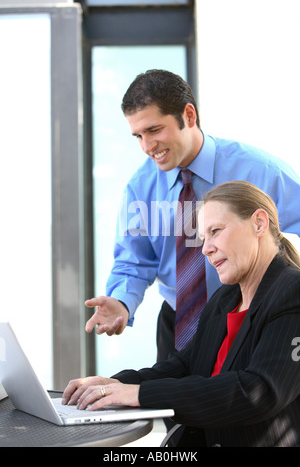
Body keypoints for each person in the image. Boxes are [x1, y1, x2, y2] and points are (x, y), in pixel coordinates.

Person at [62, 181, 300, 447]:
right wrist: (114, 384)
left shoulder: (293, 292)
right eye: (203, 239)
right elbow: (185, 366)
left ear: (258, 223)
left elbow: (258, 391)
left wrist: (141, 394)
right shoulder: (226, 298)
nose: (206, 249)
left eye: (216, 231)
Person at [85, 69, 300, 362]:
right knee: (173, 401)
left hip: (251, 319)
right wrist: (122, 301)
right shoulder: (141, 188)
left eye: (154, 130)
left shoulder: (261, 172)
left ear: (188, 115)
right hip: (178, 326)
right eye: (138, 136)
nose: (147, 147)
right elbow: (135, 261)